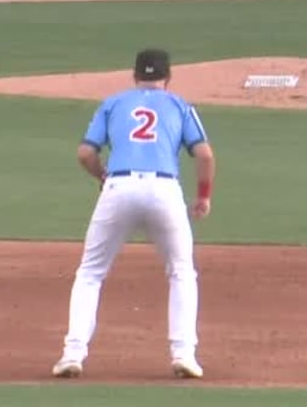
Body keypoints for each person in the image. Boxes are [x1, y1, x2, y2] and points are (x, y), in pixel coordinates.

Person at [51, 48, 216, 381]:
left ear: (134, 75)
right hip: (165, 191)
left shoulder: (113, 103)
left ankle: (73, 354)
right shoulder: (180, 105)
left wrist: (102, 176)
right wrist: (203, 197)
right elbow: (205, 155)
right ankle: (184, 354)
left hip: (119, 188)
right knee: (182, 272)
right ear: (168, 78)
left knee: (90, 273)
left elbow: (85, 153)